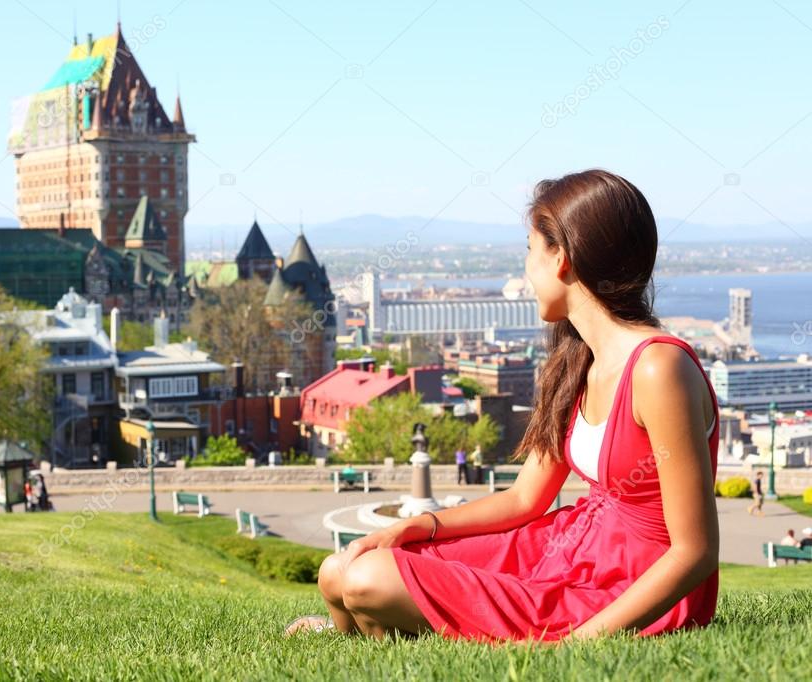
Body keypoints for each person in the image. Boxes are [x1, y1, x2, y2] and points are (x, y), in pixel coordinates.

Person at [285, 170, 721, 643]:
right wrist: (420, 527)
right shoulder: (580, 362)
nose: (525, 274)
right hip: (573, 550)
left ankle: (391, 638)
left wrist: (580, 644)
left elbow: (693, 552)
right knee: (338, 570)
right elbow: (523, 499)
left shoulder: (659, 369)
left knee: (366, 581)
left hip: (624, 591)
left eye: (529, 254)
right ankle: (375, 640)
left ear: (562, 259)